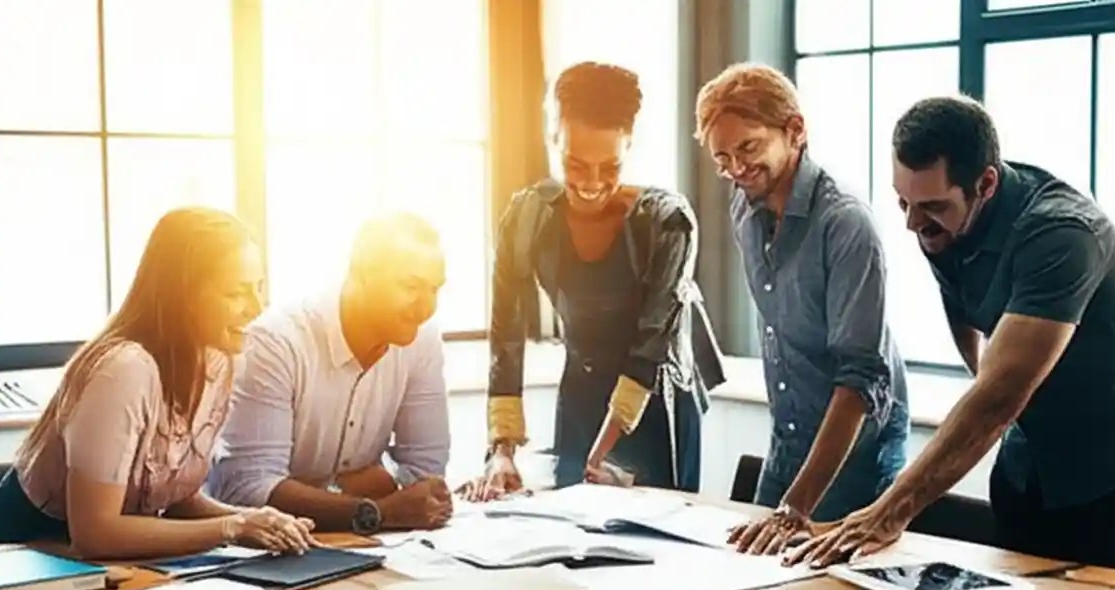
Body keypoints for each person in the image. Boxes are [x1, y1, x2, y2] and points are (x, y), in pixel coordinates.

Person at [789, 95, 1115, 574]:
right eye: (903, 202)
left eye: (931, 206)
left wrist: (888, 512)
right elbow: (966, 315)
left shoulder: (1063, 235)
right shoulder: (940, 224)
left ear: (987, 184)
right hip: (1030, 461)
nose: (912, 223)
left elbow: (998, 398)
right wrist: (988, 376)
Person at [459, 61, 722, 499]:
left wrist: (599, 457)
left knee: (652, 527)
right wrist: (501, 451)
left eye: (610, 166)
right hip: (581, 395)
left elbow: (650, 347)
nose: (592, 183)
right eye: (575, 164)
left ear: (630, 145)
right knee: (571, 523)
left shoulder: (668, 222)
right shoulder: (526, 217)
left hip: (655, 402)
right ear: (552, 138)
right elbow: (506, 336)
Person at [0, 208, 316, 559]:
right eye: (236, 293)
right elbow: (95, 534)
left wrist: (257, 521)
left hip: (116, 562)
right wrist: (231, 528)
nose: (256, 308)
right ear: (183, 295)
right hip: (32, 557)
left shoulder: (218, 360)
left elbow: (174, 499)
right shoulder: (124, 369)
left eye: (259, 288)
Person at [692, 62, 910, 554]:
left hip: (856, 453)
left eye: (749, 148)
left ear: (795, 131)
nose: (736, 169)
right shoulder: (744, 206)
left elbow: (861, 379)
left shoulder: (846, 224)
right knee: (748, 569)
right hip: (788, 442)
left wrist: (796, 508)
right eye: (723, 158)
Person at [207, 213, 453, 535]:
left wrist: (324, 492)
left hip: (362, 545)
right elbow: (248, 488)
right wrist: (374, 508)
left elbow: (427, 482)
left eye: (435, 289)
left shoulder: (422, 339)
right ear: (360, 272)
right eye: (411, 286)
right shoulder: (277, 342)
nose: (426, 307)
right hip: (261, 548)